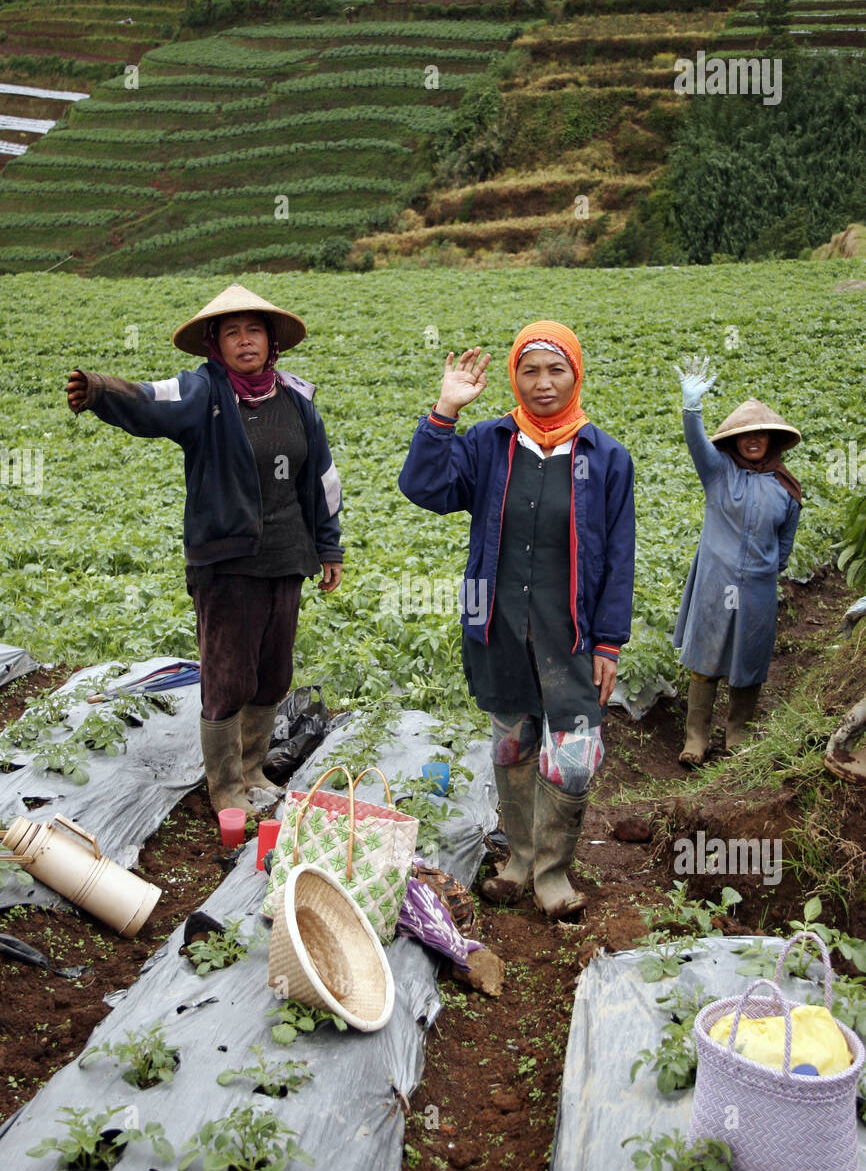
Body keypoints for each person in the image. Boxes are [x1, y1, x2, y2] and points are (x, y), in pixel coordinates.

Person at [65, 282, 344, 818]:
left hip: (287, 557)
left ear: (271, 342)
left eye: (254, 331)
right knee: (227, 676)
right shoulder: (205, 394)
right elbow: (153, 401)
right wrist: (102, 390)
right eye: (232, 333)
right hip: (226, 562)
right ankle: (224, 786)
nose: (245, 342)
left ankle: (253, 767)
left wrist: (327, 547)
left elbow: (321, 480)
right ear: (216, 345)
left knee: (271, 672)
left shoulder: (297, 402)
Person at [399, 322, 635, 920]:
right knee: (512, 744)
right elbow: (423, 486)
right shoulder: (488, 443)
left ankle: (554, 870)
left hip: (572, 633)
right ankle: (520, 859)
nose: (543, 383)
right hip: (499, 625)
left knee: (574, 756)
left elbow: (619, 554)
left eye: (556, 370)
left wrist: (609, 641)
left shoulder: (605, 458)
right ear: (513, 377)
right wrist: (445, 410)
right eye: (529, 370)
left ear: (575, 374)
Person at [673, 355, 802, 765]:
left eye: (760, 436)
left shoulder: (784, 489)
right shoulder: (718, 473)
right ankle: (696, 738)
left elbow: (785, 542)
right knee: (706, 658)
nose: (752, 441)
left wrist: (767, 569)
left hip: (759, 587)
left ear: (771, 441)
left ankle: (737, 734)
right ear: (733, 440)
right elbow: (696, 443)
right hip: (716, 580)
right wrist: (692, 409)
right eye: (745, 435)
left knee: (749, 659)